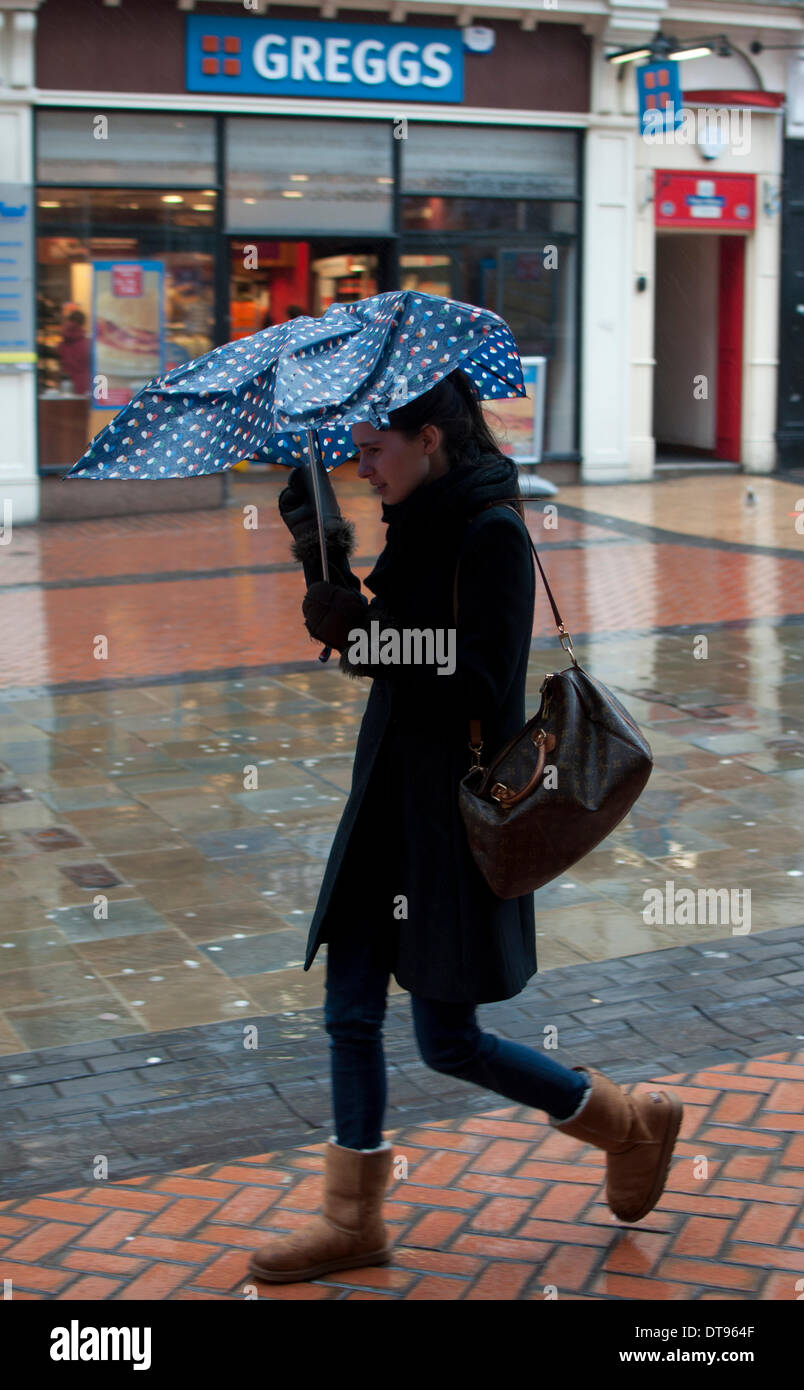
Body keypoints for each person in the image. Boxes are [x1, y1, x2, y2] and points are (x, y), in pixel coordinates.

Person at [249, 368, 683, 1284]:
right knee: (350, 1012)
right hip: (385, 806)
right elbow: (400, 639)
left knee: (448, 1041)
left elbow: (481, 679)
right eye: (355, 455)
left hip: (445, 823)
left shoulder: (488, 530)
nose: (363, 468)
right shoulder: (419, 521)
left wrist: (365, 642)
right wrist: (321, 563)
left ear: (430, 440)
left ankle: (626, 1124)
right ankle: (352, 1221)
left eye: (373, 451)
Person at [57, 307, 91, 395]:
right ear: (83, 323)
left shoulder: (63, 343)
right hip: (84, 384)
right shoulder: (87, 343)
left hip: (66, 384)